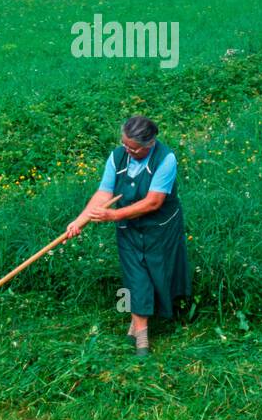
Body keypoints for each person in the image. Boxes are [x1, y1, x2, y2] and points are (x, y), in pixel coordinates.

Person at [67, 115, 189, 356]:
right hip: (129, 231)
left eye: (134, 148)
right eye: (125, 145)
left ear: (150, 144)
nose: (128, 151)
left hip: (160, 229)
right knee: (136, 277)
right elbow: (103, 193)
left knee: (160, 273)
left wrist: (114, 216)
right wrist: (78, 221)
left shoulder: (166, 159)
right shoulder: (117, 156)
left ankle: (145, 319)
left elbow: (154, 202)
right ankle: (142, 339)